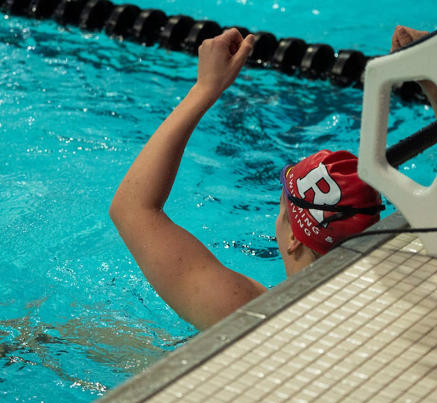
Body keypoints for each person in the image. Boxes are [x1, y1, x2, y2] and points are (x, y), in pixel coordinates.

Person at [109, 28, 386, 330]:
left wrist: (205, 88)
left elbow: (132, 209)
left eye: (283, 206)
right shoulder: (391, 291)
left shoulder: (246, 312)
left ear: (294, 238)